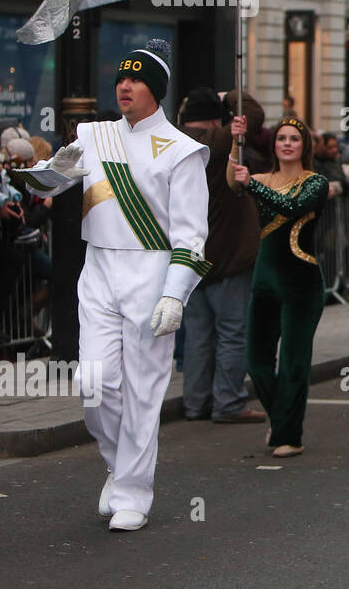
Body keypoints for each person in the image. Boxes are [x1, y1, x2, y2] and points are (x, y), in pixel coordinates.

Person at [18, 40, 210, 531]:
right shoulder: (94, 134)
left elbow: (192, 233)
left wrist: (175, 292)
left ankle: (132, 491)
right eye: (122, 77)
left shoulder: (184, 151)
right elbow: (46, 189)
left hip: (151, 272)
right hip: (99, 270)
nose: (125, 85)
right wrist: (45, 172)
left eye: (138, 78)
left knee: (144, 392)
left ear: (157, 89)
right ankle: (118, 464)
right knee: (93, 383)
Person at [228, 115, 329, 459]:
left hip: (302, 282)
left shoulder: (316, 182)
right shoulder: (259, 176)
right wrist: (233, 141)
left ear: (304, 146)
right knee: (256, 362)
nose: (287, 143)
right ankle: (282, 420)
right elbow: (231, 183)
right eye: (282, 138)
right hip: (264, 279)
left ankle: (290, 435)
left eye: (294, 139)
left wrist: (252, 185)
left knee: (293, 363)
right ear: (274, 145)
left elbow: (291, 206)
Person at [178, 87, 267, 425]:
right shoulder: (216, 140)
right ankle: (228, 402)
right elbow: (253, 116)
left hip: (189, 256)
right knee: (231, 331)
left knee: (198, 334)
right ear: (215, 118)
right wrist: (231, 94)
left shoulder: (172, 143)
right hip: (227, 253)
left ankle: (195, 403)